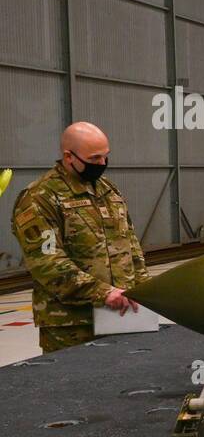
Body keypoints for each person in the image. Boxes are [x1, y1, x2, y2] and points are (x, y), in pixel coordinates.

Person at [10, 122, 148, 353]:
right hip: (72, 324)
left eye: (106, 157)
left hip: (122, 314)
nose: (102, 164)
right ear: (68, 156)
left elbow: (131, 245)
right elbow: (47, 263)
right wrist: (103, 292)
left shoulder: (107, 190)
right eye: (94, 159)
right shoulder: (40, 197)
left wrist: (145, 290)